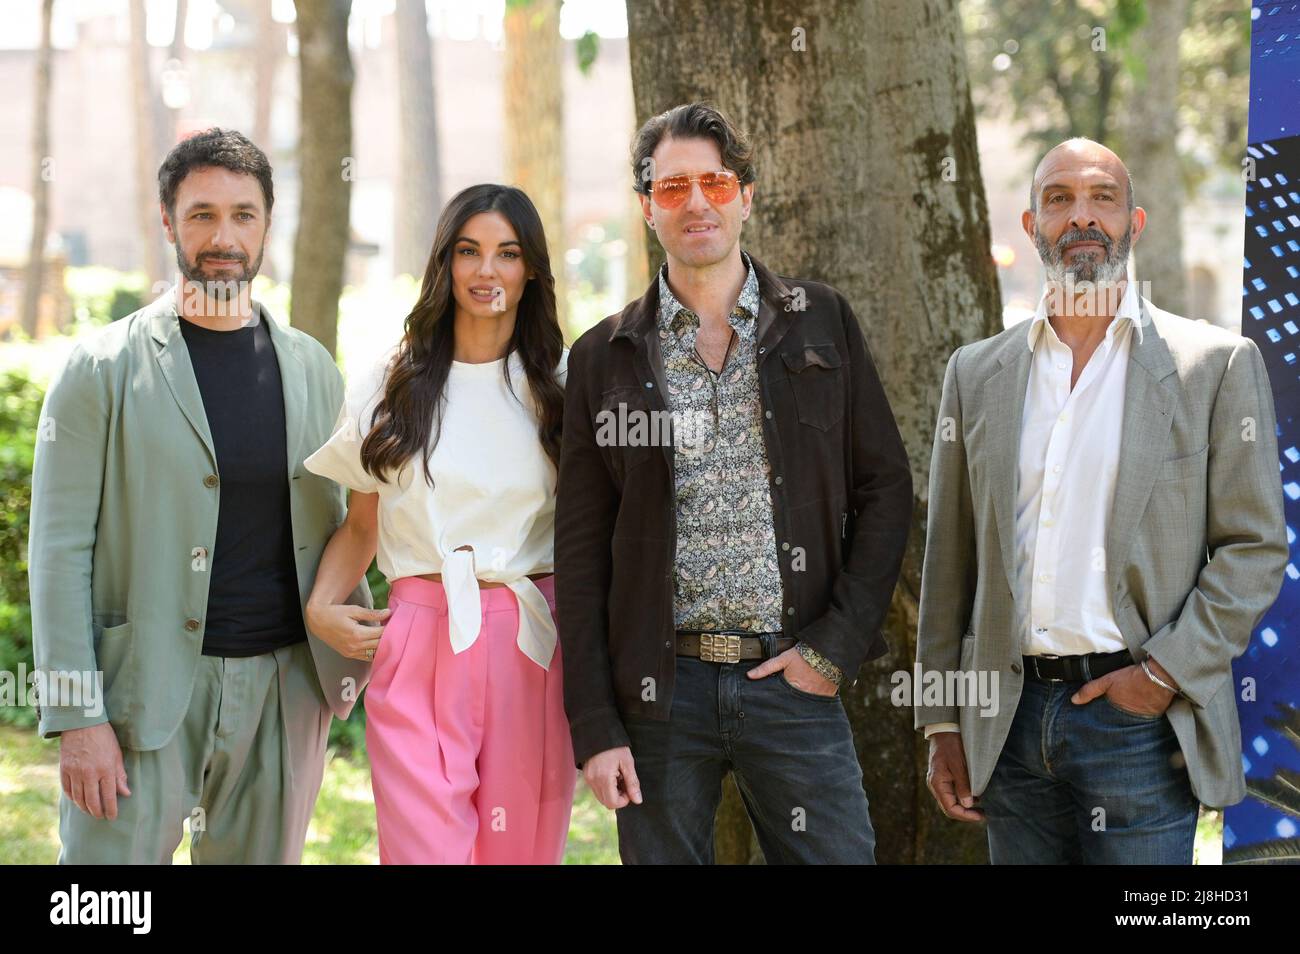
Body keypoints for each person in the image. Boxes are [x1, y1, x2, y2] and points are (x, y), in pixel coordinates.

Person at [555, 102, 913, 864]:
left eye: (714, 182)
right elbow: (581, 554)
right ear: (648, 207)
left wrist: (836, 647)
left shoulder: (821, 324)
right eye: (672, 186)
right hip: (659, 693)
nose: (696, 202)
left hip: (792, 675)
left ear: (745, 195)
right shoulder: (604, 356)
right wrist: (594, 724)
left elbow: (886, 489)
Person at [917, 137, 1288, 864]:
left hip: (1138, 727)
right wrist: (939, 721)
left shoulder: (1213, 366)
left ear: (1134, 223)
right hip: (1008, 723)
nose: (1080, 217)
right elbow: (948, 562)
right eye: (1058, 200)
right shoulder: (976, 373)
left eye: (1101, 199)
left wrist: (1163, 677)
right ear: (1031, 227)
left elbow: (1255, 549)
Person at [29, 127, 371, 864]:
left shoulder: (312, 368)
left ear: (266, 225)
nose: (224, 235)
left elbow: (346, 525)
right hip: (137, 697)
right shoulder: (99, 370)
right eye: (202, 213)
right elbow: (57, 553)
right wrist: (75, 716)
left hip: (283, 694)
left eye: (243, 214)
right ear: (167, 221)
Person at [304, 184, 574, 864]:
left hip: (532, 639)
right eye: (469, 252)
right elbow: (362, 524)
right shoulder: (392, 383)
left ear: (531, 269)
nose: (487, 271)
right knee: (424, 849)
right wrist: (320, 606)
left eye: (507, 254)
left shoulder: (563, 386)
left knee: (519, 851)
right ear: (445, 265)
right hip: (421, 635)